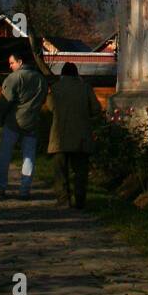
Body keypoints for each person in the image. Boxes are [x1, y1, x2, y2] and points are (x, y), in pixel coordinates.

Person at [0, 47, 48, 200]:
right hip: (32, 121)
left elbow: (5, 102)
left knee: (4, 156)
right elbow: (43, 99)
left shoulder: (14, 78)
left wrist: (0, 115)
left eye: (12, 63)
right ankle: (24, 189)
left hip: (13, 122)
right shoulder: (40, 79)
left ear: (20, 62)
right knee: (29, 157)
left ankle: (0, 187)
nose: (10, 66)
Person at [46, 63, 102, 209]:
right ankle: (80, 201)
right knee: (80, 172)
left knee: (60, 171)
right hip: (81, 136)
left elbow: (51, 108)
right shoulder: (85, 88)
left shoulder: (55, 88)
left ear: (62, 75)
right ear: (77, 75)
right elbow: (96, 109)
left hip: (60, 136)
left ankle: (63, 200)